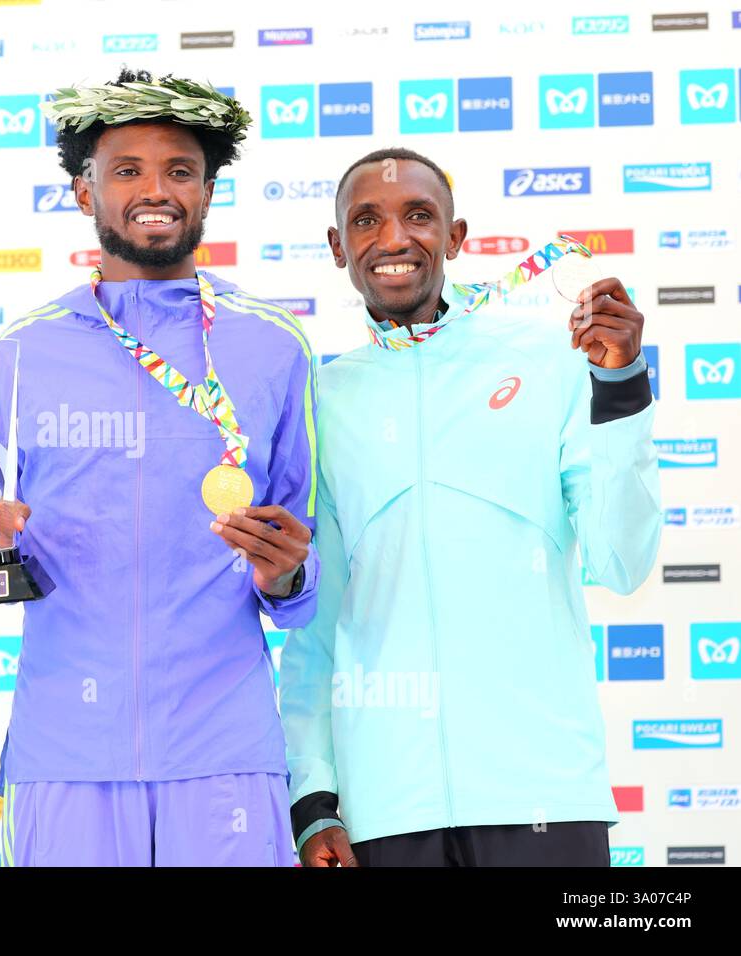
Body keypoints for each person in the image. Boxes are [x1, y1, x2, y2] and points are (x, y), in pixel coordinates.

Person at [0, 69, 319, 866]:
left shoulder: (273, 346)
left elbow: (306, 574)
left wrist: (286, 575)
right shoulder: (15, 355)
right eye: (127, 169)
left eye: (180, 170)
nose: (156, 189)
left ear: (209, 191)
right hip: (65, 751)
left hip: (225, 749)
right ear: (84, 192)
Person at [280, 147, 660, 867]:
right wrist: (313, 798)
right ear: (338, 248)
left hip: (544, 796)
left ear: (455, 238)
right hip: (383, 808)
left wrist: (622, 391)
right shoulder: (325, 399)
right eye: (367, 220)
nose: (394, 239)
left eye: (419, 216)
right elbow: (316, 626)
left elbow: (622, 560)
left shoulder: (550, 361)